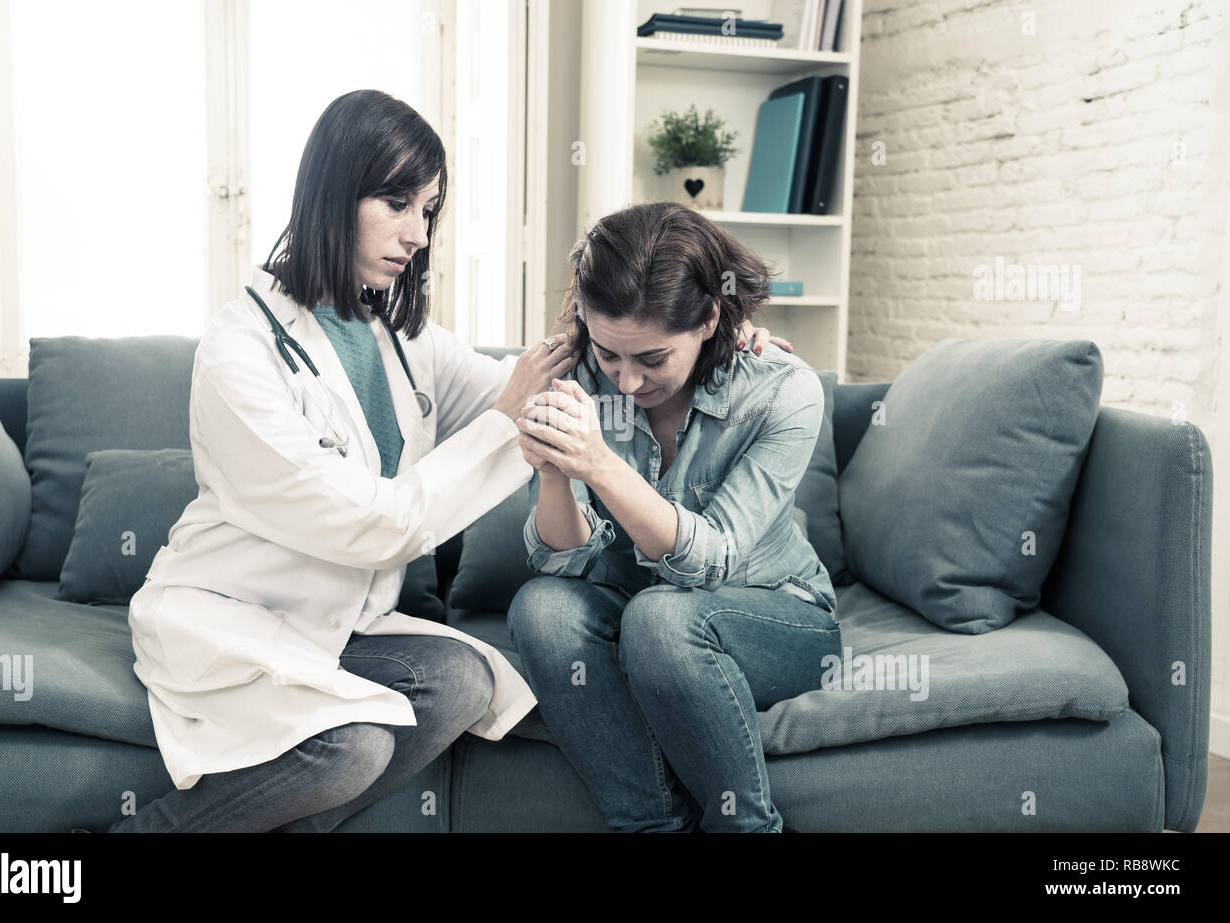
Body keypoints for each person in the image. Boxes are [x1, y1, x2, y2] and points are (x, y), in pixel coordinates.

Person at [108, 91, 785, 833]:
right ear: (332, 193)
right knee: (352, 748)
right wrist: (506, 419)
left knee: (462, 680)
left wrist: (709, 342)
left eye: (427, 210)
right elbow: (373, 523)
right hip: (232, 616)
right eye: (396, 203)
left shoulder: (400, 337)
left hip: (334, 629)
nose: (417, 234)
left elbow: (539, 384)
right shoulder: (240, 350)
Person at [506, 201, 842, 833]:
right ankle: (650, 826)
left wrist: (600, 464)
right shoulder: (577, 376)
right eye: (610, 354)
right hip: (636, 609)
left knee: (660, 617)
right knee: (541, 607)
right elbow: (563, 559)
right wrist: (555, 472)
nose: (627, 382)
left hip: (770, 614)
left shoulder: (782, 389)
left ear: (711, 316)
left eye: (653, 359)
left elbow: (709, 562)